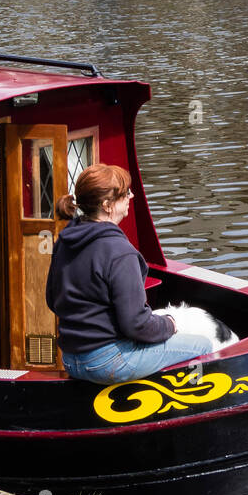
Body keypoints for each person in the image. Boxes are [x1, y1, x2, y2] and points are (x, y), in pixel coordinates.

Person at [45, 163, 214, 383]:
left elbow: (52, 301)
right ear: (107, 205)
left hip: (70, 359)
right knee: (203, 345)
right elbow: (136, 324)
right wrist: (170, 324)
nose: (131, 197)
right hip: (106, 363)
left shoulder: (66, 240)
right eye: (126, 194)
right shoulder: (120, 253)